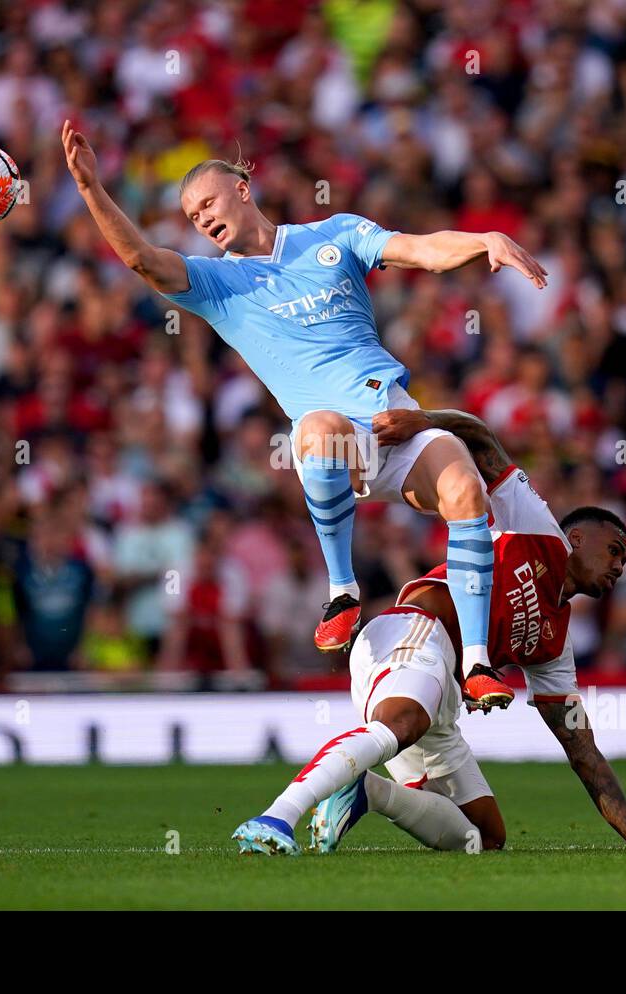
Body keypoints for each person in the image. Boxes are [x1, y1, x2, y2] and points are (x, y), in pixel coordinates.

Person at [62, 122, 549, 706]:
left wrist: (483, 238)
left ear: (242, 190)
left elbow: (418, 249)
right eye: (193, 217)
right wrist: (92, 188)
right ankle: (343, 590)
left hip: (396, 418)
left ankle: (476, 665)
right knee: (317, 428)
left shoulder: (335, 235)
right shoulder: (220, 283)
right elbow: (142, 259)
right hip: (337, 444)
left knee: (466, 487)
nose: (203, 220)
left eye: (208, 203)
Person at [232, 408, 626, 855]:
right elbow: (480, 437)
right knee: (399, 726)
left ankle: (367, 793)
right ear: (577, 537)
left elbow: (582, 749)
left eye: (624, 558)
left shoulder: (554, 645)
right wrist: (426, 422)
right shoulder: (534, 526)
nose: (620, 564)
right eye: (615, 549)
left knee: (484, 837)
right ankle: (276, 817)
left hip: (444, 688)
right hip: (412, 634)